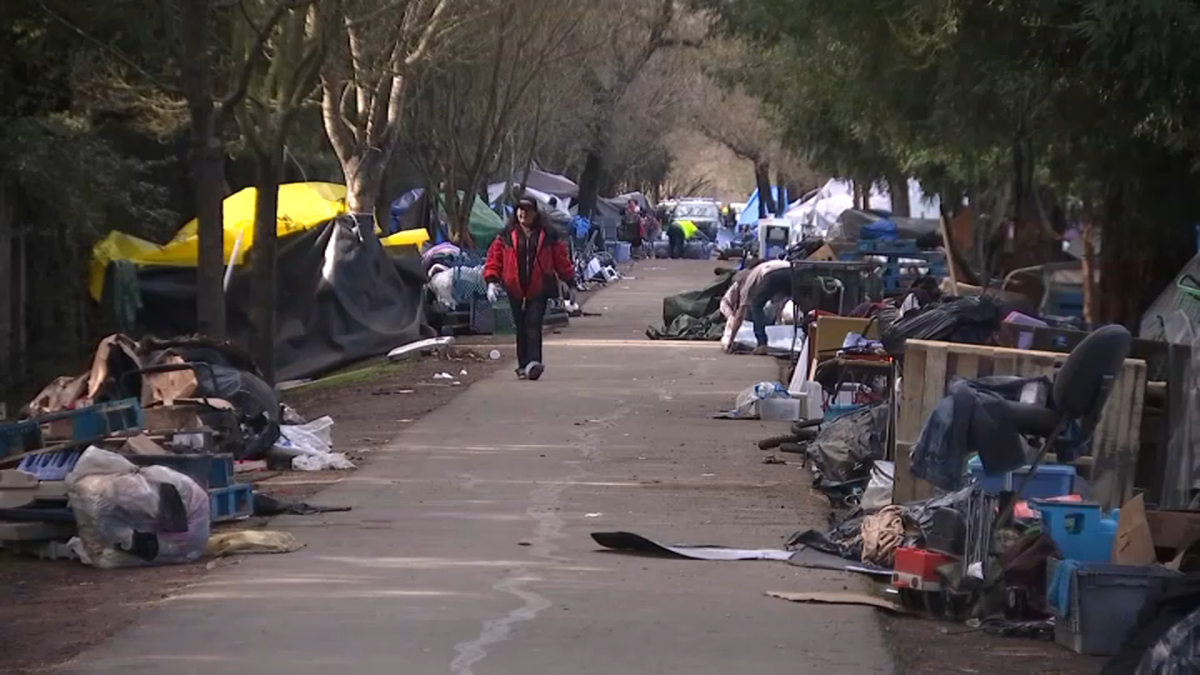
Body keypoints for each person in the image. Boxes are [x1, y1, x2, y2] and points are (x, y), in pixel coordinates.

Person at [484, 197, 575, 381]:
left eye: (526, 210)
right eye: (519, 209)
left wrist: (569, 281)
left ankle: (534, 363)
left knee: (533, 324)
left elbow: (561, 260)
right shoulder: (506, 235)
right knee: (521, 326)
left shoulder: (548, 236)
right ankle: (522, 365)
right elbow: (494, 259)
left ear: (535, 213)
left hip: (538, 287)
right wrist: (492, 280)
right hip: (514, 286)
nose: (522, 213)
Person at [723, 262, 792, 355]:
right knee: (802, 306)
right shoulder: (763, 268)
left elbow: (740, 315)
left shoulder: (747, 284)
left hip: (772, 275)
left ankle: (762, 344)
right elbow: (781, 301)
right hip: (793, 270)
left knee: (755, 305)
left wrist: (731, 339)